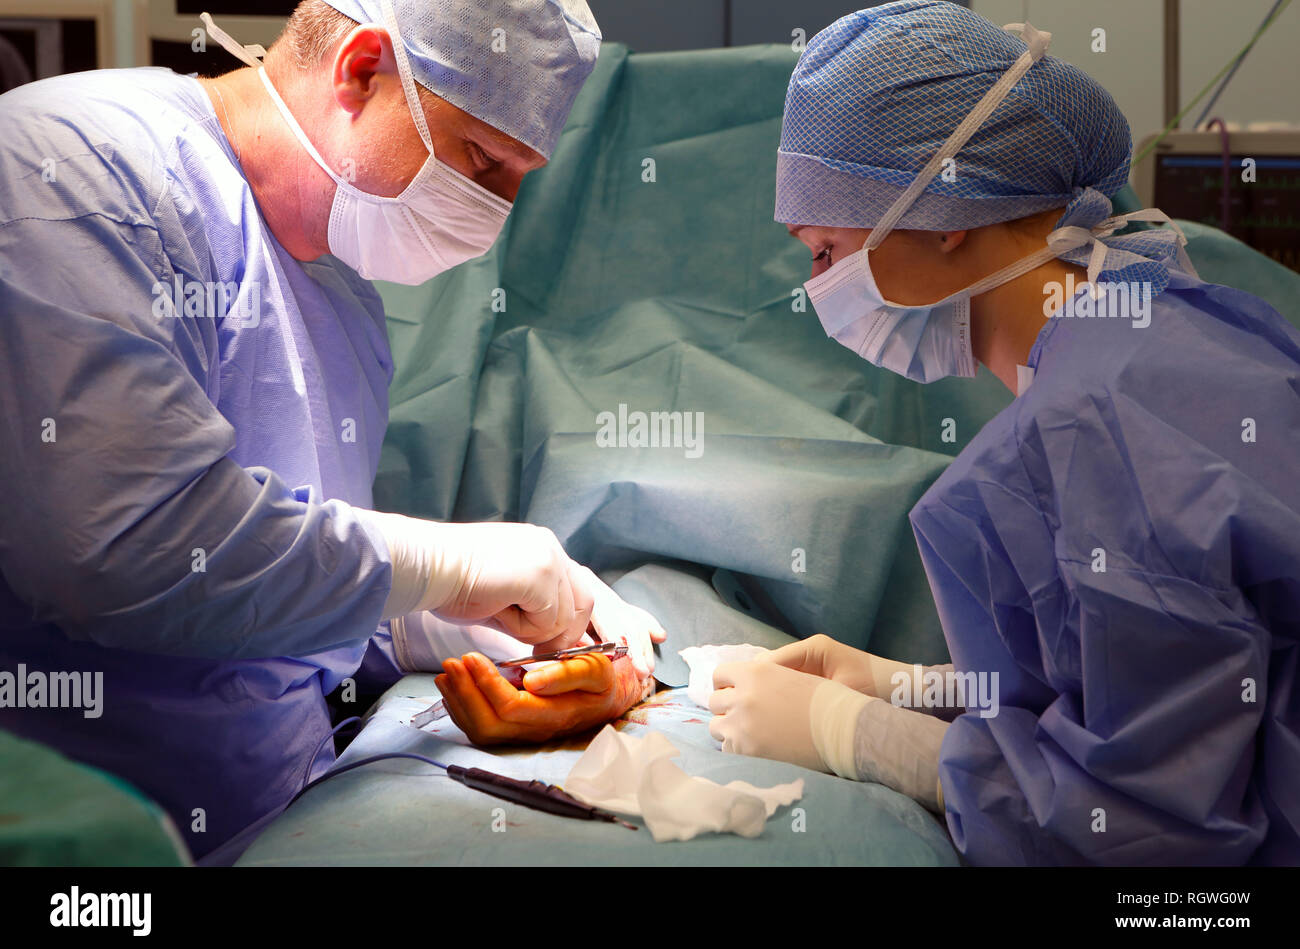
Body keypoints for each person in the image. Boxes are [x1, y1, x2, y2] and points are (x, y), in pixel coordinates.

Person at [0, 0, 663, 863]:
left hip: (282, 810)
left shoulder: (341, 299)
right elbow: (122, 548)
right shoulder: (68, 173)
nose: (499, 209)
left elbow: (285, 578)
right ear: (359, 70)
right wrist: (450, 566)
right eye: (484, 161)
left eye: (521, 175)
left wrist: (483, 621)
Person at [707, 1, 1299, 865]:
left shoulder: (1101, 424)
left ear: (945, 214)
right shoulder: (1167, 333)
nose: (817, 286)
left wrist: (865, 736)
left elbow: (1156, 838)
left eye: (826, 250)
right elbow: (1169, 682)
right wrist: (920, 688)